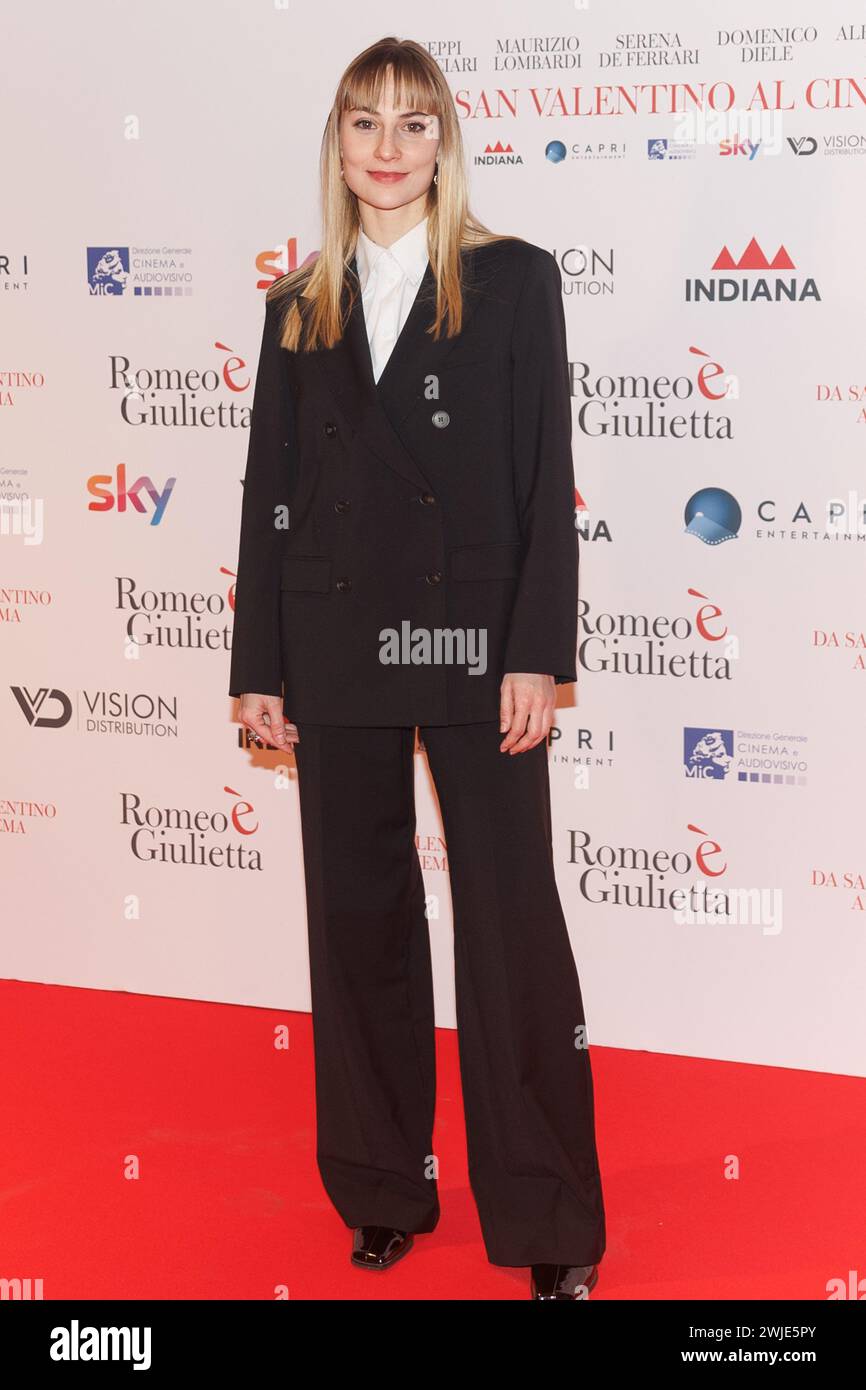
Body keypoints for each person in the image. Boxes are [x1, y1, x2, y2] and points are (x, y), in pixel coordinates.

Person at [228, 35, 606, 1301]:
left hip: (468, 639)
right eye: (360, 125)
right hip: (330, 645)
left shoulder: (513, 283)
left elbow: (542, 486)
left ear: (444, 140)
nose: (385, 150)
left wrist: (534, 655)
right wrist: (258, 665)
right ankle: (383, 1184)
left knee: (508, 930)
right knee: (356, 926)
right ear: (335, 147)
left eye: (410, 124)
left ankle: (548, 1213)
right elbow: (269, 499)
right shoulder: (296, 305)